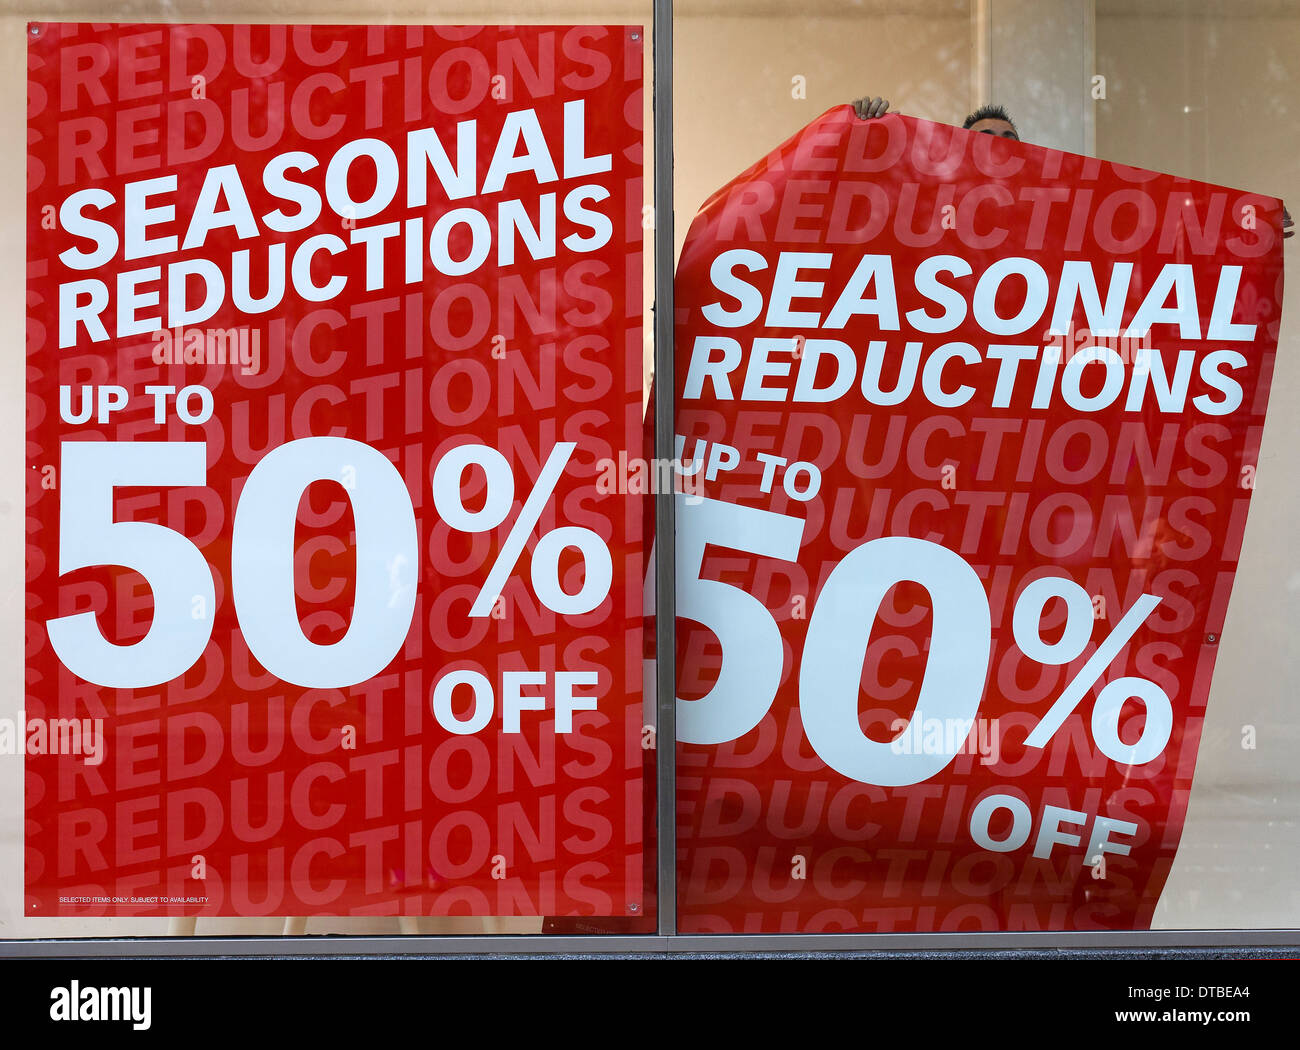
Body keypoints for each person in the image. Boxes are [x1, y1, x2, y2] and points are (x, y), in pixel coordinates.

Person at [852, 94, 1292, 236]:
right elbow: (857, 216)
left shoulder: (1059, 208)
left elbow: (1156, 227)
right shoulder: (927, 208)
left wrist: (1247, 224)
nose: (1000, 147)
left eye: (1011, 139)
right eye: (984, 139)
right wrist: (859, 136)